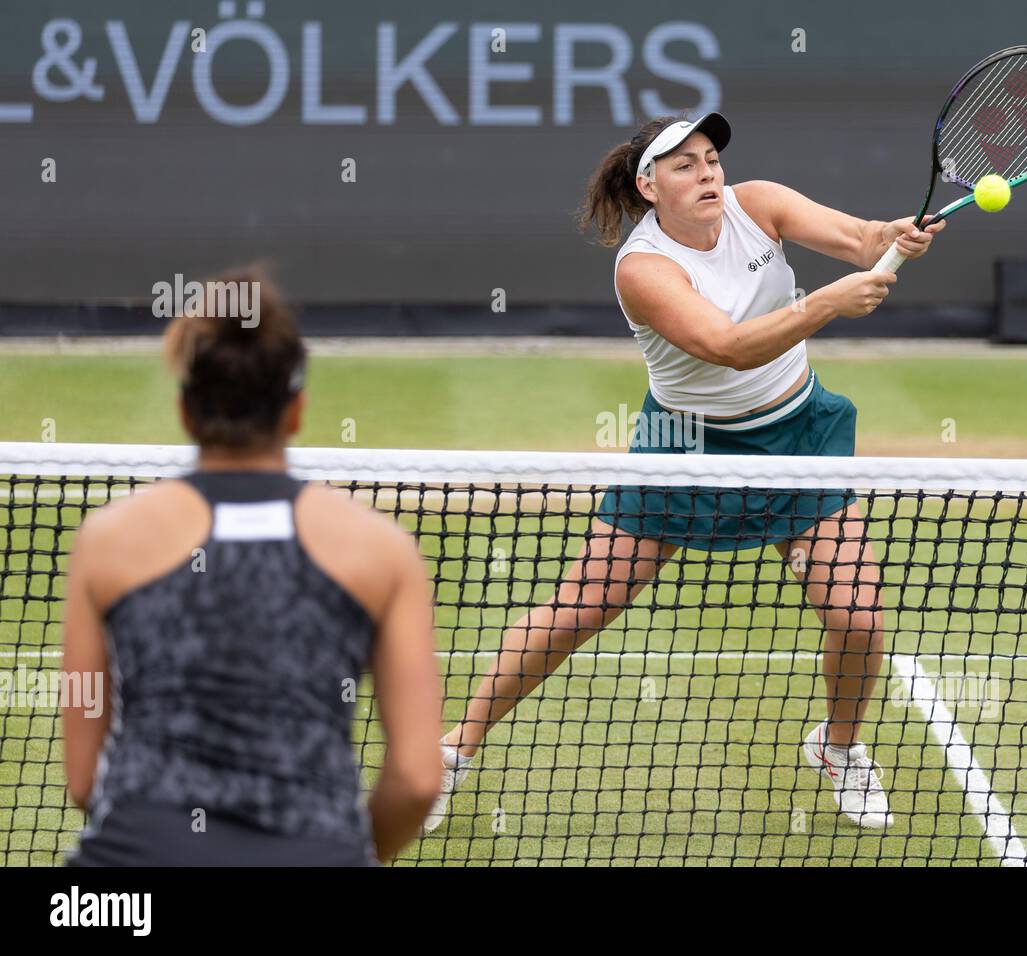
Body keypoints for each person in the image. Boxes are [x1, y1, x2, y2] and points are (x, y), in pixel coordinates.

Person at [427, 113, 943, 832]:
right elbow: (726, 347)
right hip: (685, 447)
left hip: (797, 434)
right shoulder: (644, 270)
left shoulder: (758, 204)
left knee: (857, 616)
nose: (707, 173)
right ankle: (453, 752)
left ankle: (839, 748)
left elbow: (860, 240)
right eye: (685, 165)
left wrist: (892, 235)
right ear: (649, 186)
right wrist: (827, 301)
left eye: (711, 159)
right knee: (582, 607)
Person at [62, 270, 442, 865]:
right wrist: (340, 852)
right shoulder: (380, 550)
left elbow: (84, 780)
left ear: (186, 411)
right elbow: (418, 780)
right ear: (295, 411)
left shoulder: (107, 540)